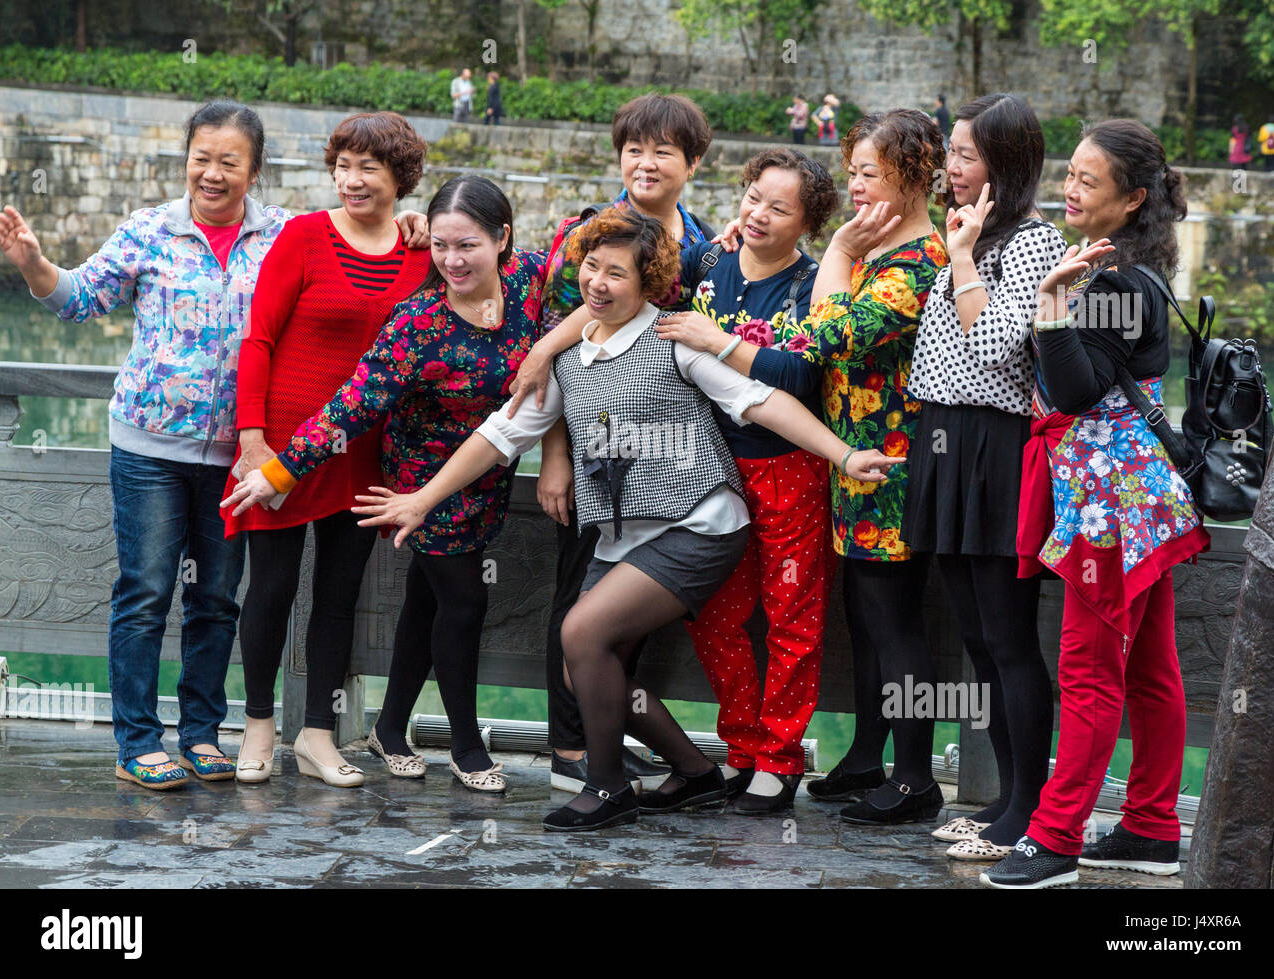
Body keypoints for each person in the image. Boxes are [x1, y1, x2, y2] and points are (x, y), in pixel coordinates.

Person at [339, 208, 904, 832]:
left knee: (582, 634)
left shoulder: (673, 339)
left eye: (616, 273)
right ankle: (695, 772)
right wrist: (422, 499)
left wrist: (844, 454)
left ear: (647, 283)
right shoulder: (569, 360)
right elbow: (499, 434)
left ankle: (607, 789)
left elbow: (762, 402)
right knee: (578, 667)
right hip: (622, 537)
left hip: (699, 524)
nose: (599, 283)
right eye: (591, 267)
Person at [0, 101, 285, 790]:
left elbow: (346, 267)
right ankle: (137, 740)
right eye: (200, 159)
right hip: (149, 446)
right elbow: (78, 299)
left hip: (238, 456)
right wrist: (35, 264)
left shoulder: (284, 238)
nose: (211, 174)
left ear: (255, 169)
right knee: (147, 591)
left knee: (216, 595)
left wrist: (415, 227)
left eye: (228, 162)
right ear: (185, 159)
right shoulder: (150, 231)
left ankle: (203, 732)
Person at [223, 175, 548, 794]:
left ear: (503, 239)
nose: (451, 261)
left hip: (488, 476)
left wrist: (549, 346)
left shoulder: (532, 282)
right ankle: (466, 746)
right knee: (463, 600)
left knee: (427, 597)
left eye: (468, 246)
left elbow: (603, 264)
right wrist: (280, 469)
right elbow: (353, 405)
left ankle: (391, 726)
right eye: (442, 246)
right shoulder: (416, 322)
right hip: (419, 480)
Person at [982, 119, 1210, 888]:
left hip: (1110, 508)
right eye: (1069, 174)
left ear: (1132, 198)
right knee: (1150, 666)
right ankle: (1150, 823)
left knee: (1087, 669)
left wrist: (1050, 302)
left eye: (1088, 180)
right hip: (1140, 498)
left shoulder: (1114, 284)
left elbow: (1075, 391)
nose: (1068, 190)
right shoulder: (1133, 274)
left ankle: (1055, 838)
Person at [752, 109, 950, 825]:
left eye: (868, 173)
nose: (856, 186)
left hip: (891, 468)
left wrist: (833, 250)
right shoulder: (877, 254)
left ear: (910, 177)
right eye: (853, 172)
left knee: (894, 622)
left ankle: (917, 774)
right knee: (865, 618)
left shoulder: (918, 263)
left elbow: (823, 337)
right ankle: (867, 752)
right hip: (855, 466)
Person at [222, 112, 431, 786]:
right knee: (273, 587)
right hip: (284, 445)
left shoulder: (420, 250)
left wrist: (429, 224)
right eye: (342, 164)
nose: (351, 179)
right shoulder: (304, 236)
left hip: (366, 452)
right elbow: (258, 340)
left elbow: (488, 281)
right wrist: (253, 442)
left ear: (399, 176)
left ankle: (316, 732)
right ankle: (258, 724)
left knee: (339, 595)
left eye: (368, 166)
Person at [534, 93, 718, 795]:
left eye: (663, 151)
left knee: (626, 619)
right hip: (601, 453)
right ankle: (571, 749)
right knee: (578, 602)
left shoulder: (701, 247)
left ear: (692, 163)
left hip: (672, 463)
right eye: (634, 149)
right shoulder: (588, 234)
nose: (646, 163)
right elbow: (548, 352)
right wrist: (555, 455)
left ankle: (608, 741)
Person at [645, 148, 837, 813]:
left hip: (787, 467)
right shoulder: (706, 264)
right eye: (753, 196)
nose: (756, 213)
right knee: (717, 617)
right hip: (708, 467)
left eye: (778, 207)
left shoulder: (815, 284)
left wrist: (716, 339)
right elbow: (619, 277)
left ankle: (781, 758)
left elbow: (802, 375)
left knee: (791, 616)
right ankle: (743, 745)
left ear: (807, 221)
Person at [900, 93, 1068, 859]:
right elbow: (935, 354)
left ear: (1006, 162)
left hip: (995, 448)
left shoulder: (1032, 241)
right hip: (945, 439)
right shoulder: (970, 230)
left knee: (1008, 637)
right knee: (976, 634)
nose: (951, 167)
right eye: (951, 153)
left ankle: (1031, 811)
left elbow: (999, 346)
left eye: (965, 154)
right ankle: (1009, 797)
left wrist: (962, 255)